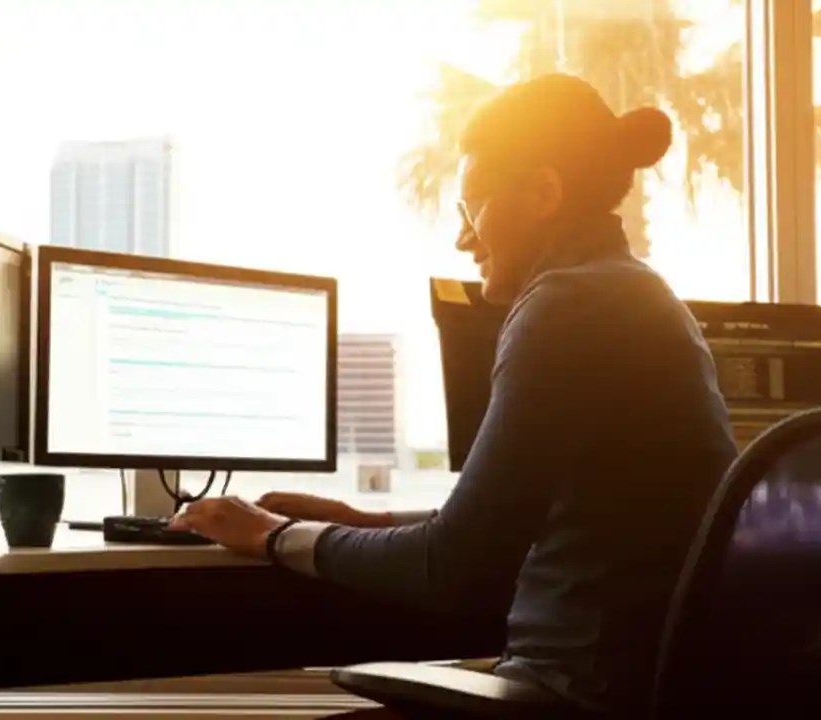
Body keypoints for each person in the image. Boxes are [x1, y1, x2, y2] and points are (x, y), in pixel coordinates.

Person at [170, 74, 739, 716]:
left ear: (544, 192)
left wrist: (275, 535)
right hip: (637, 686)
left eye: (472, 207)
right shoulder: (642, 294)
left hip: (576, 693)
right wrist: (370, 523)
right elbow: (542, 520)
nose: (464, 238)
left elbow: (455, 569)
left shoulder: (563, 306)